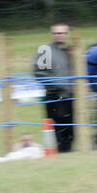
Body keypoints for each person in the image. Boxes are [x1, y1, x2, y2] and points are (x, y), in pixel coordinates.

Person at [33, 23, 75, 153]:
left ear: (67, 34)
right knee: (57, 128)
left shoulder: (71, 50)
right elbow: (38, 73)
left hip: (71, 96)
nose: (60, 35)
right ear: (53, 34)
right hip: (54, 97)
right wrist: (58, 85)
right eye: (57, 33)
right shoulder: (45, 50)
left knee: (72, 128)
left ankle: (68, 152)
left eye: (63, 33)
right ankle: (60, 152)